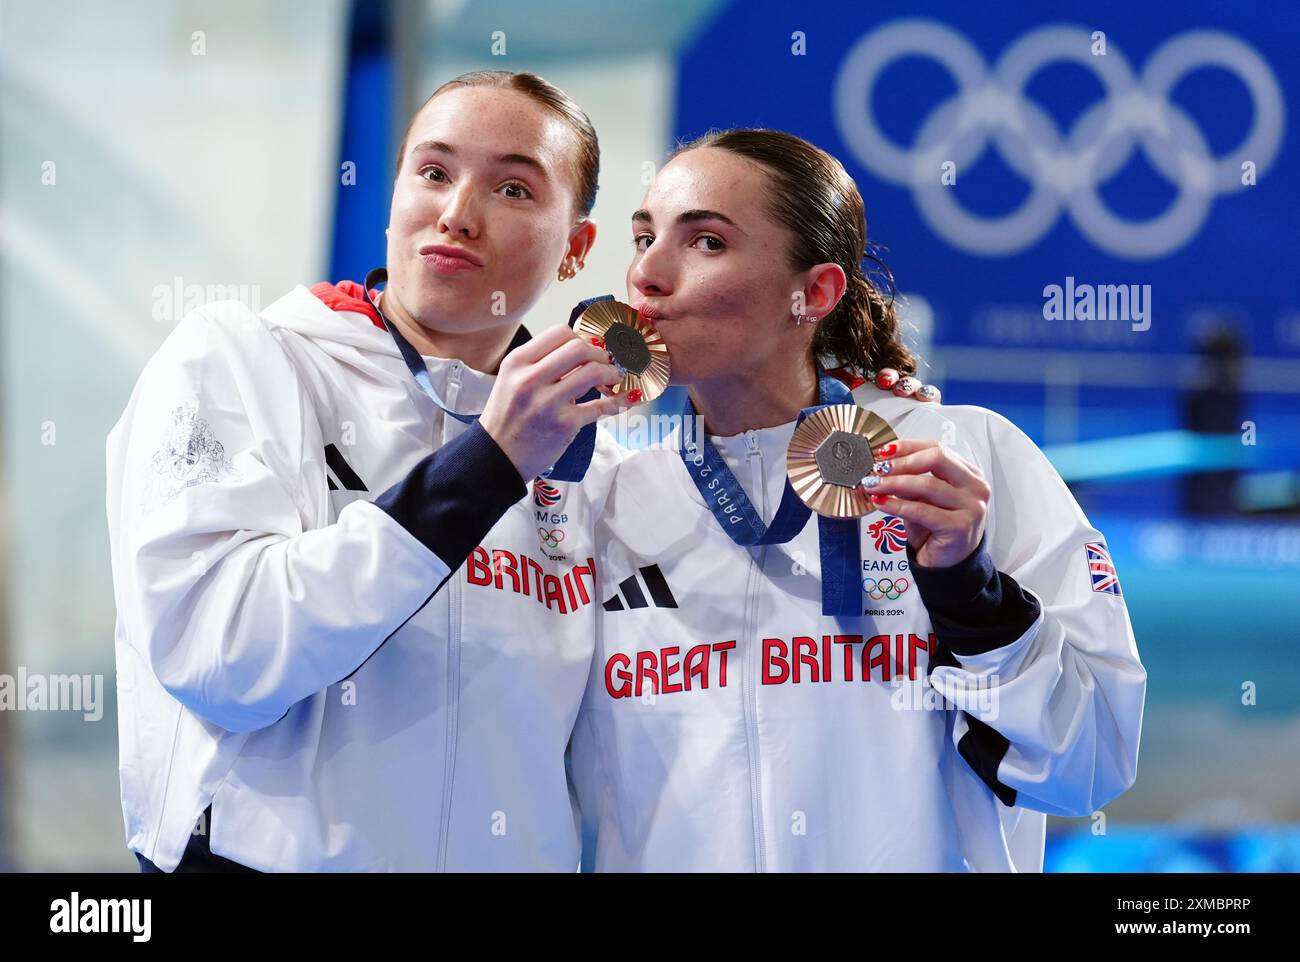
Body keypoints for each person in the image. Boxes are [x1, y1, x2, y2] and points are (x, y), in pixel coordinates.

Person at [569, 129, 1147, 872]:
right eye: (644, 237)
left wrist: (973, 596)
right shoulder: (611, 498)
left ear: (813, 293)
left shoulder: (964, 459)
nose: (646, 274)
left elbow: (1091, 764)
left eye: (705, 242)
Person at [106, 70, 631, 872]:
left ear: (577, 249)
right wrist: (485, 467)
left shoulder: (591, 461)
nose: (457, 214)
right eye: (433, 172)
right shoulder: (243, 358)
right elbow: (222, 653)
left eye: (514, 188)